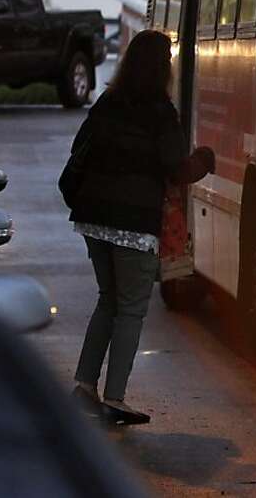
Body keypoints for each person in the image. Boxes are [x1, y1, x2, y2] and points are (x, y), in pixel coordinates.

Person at [66, 30, 214, 425]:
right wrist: (205, 159)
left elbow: (80, 148)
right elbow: (177, 169)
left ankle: (84, 384)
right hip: (133, 223)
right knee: (130, 310)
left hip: (94, 219)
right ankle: (115, 397)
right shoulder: (160, 113)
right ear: (164, 68)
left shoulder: (108, 103)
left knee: (108, 300)